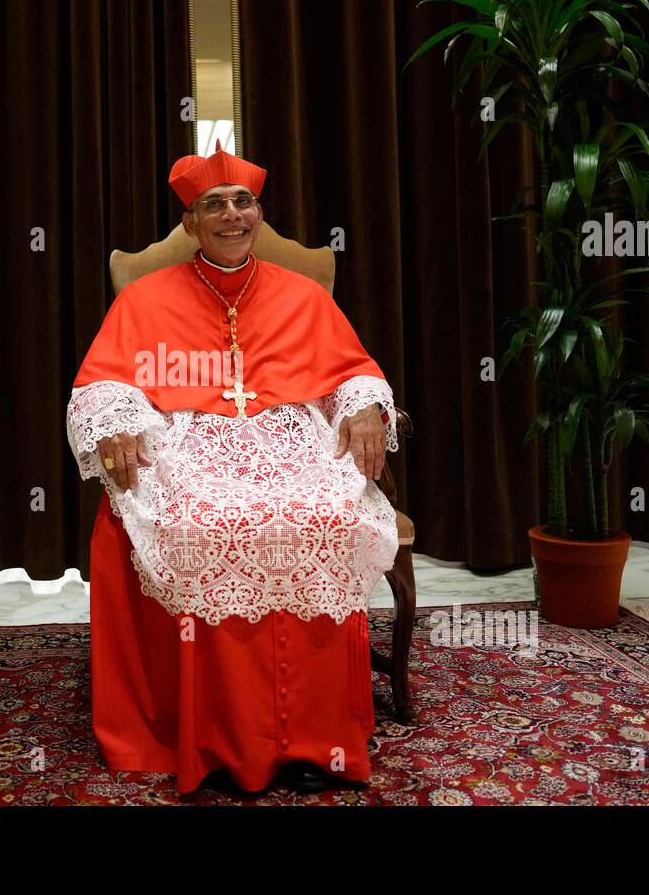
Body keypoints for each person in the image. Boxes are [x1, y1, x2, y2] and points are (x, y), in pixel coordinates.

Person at [65, 141, 399, 795]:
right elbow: (103, 381)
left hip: (291, 443)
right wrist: (117, 421)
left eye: (242, 202)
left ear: (259, 212)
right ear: (190, 223)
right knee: (194, 528)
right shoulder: (145, 299)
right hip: (187, 447)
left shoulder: (303, 294)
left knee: (322, 520)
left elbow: (353, 371)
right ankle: (217, 738)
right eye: (213, 205)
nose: (231, 216)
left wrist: (364, 408)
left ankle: (313, 739)